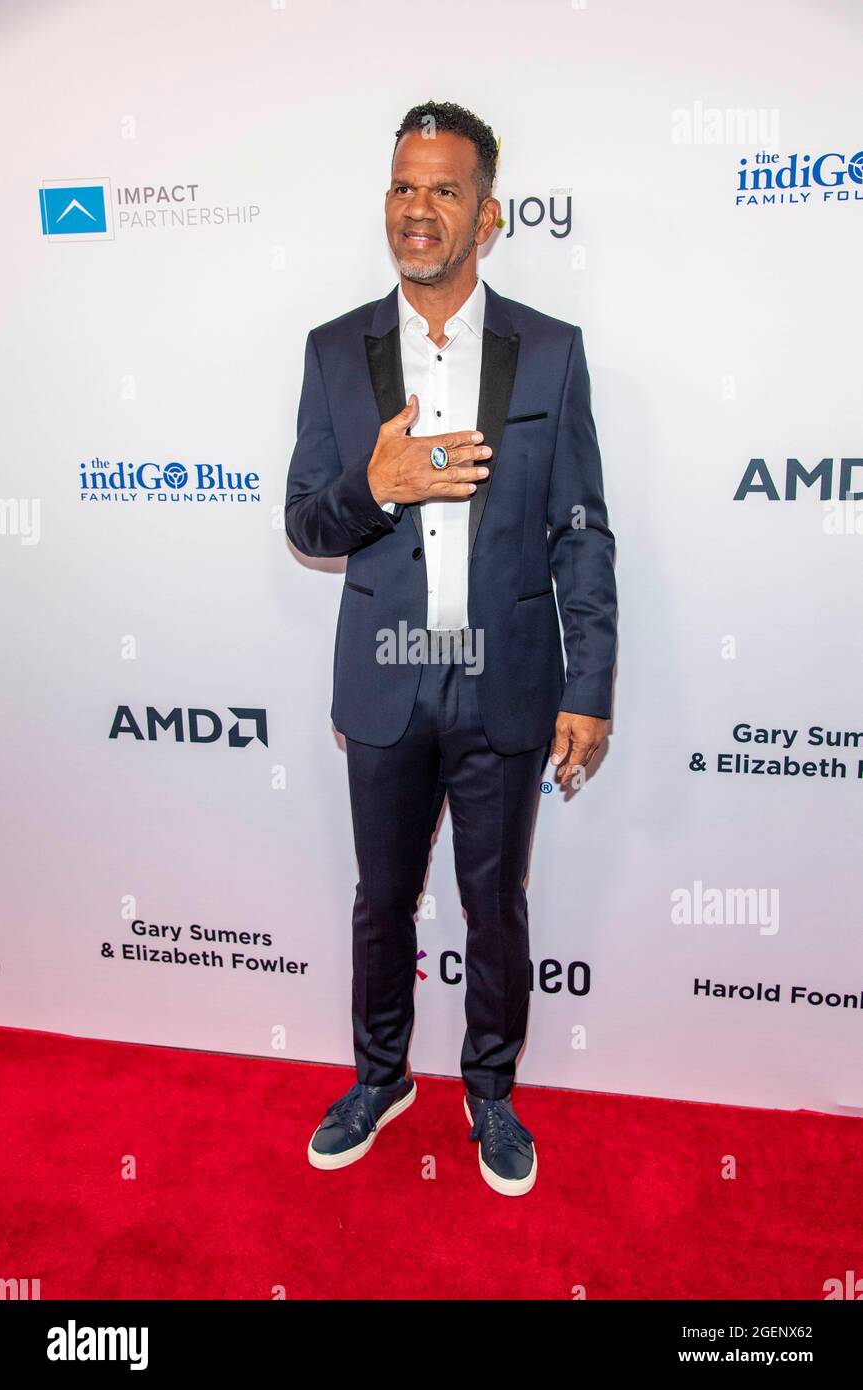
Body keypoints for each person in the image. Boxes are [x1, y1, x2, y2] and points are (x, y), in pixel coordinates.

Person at [285, 101, 617, 1196]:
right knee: (380, 900)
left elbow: (581, 531)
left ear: (488, 214)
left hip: (507, 679)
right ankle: (379, 1077)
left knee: (494, 901)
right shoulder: (336, 350)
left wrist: (591, 685)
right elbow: (305, 524)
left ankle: (488, 1090)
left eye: (441, 190)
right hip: (382, 680)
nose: (414, 211)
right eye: (400, 185)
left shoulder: (550, 352)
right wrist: (373, 486)